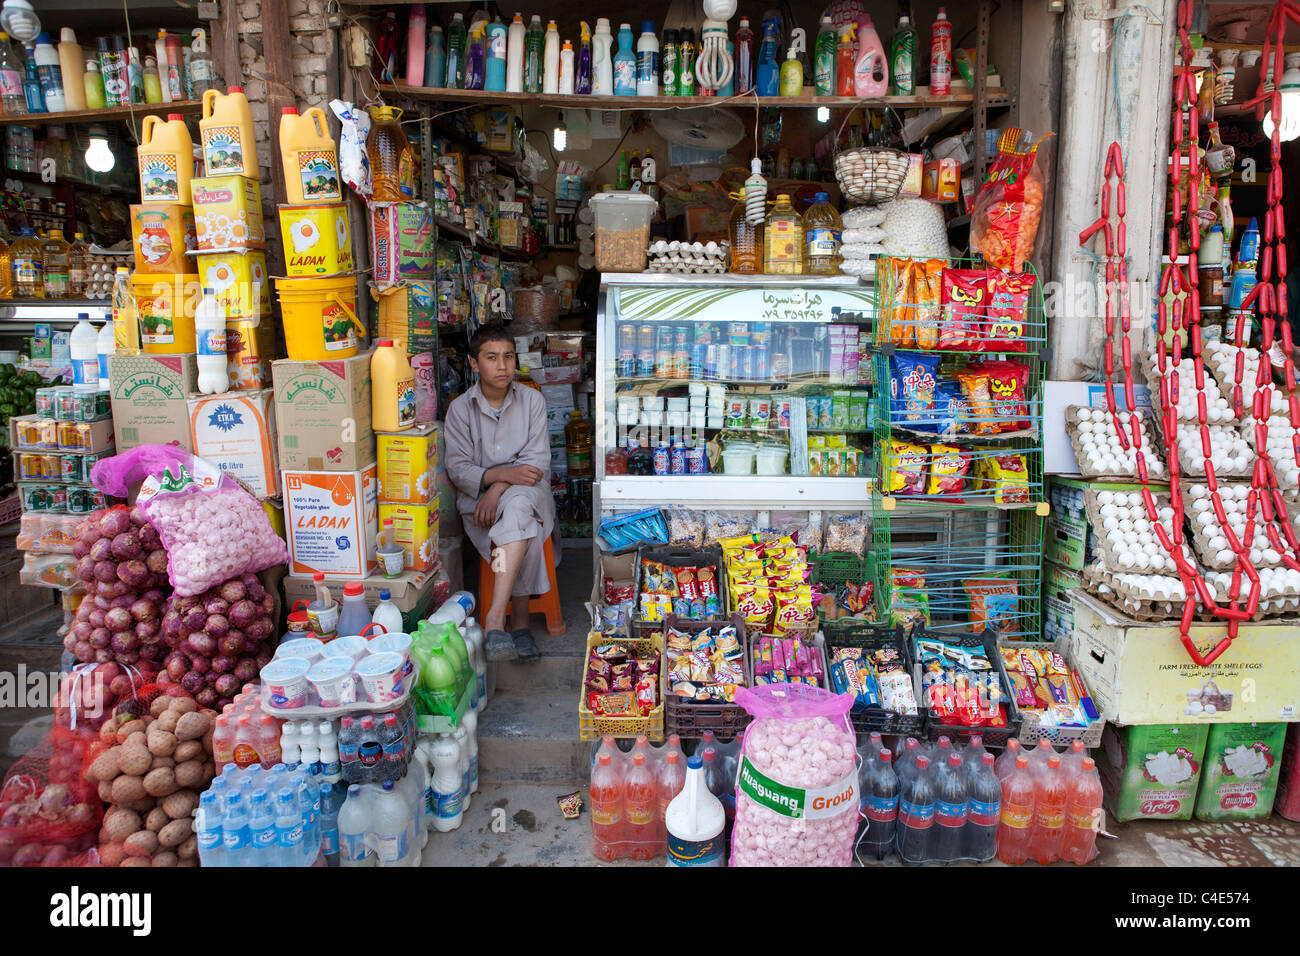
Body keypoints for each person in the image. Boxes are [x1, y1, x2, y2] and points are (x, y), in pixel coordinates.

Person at [443, 323, 560, 663]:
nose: (503, 366)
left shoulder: (532, 401)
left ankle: (496, 620)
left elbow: (535, 464)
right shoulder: (460, 410)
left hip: (528, 491)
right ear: (474, 363)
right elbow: (459, 469)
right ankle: (520, 624)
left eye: (509, 357)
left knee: (520, 505)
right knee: (522, 520)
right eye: (492, 358)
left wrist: (497, 486)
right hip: (479, 502)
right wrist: (500, 480)